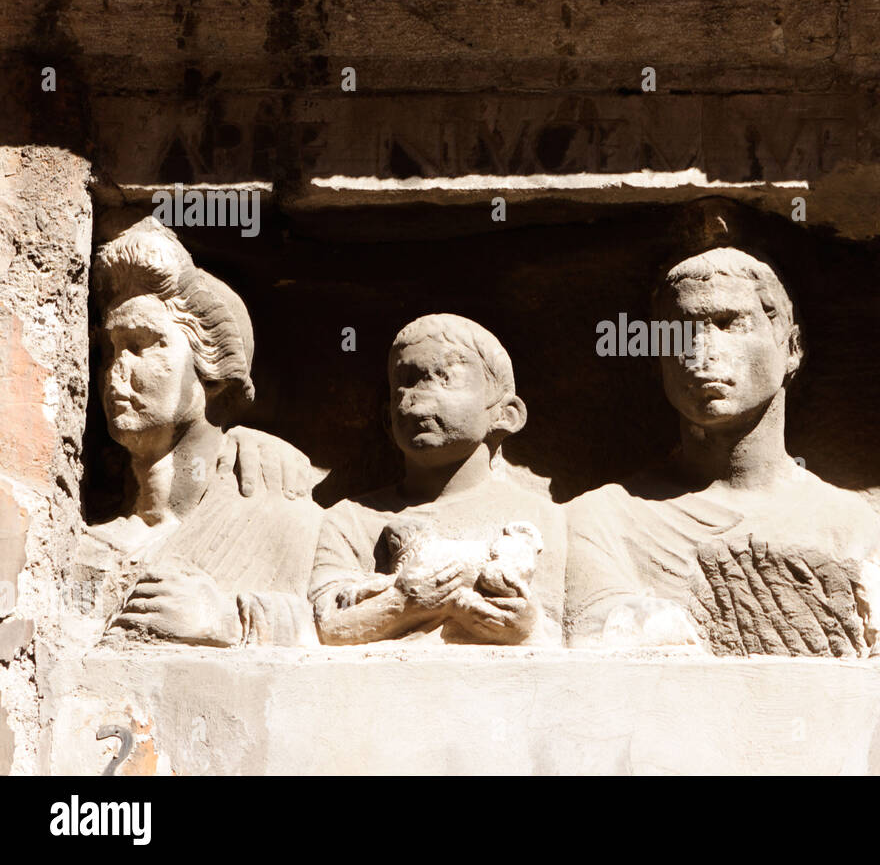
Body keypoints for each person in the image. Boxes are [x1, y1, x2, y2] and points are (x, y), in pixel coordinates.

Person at [565, 247, 880, 656]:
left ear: (791, 348)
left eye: (728, 324)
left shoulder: (848, 526)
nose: (702, 351)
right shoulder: (602, 520)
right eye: (678, 331)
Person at [78, 216, 321, 647]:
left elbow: (335, 620)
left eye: (142, 344)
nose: (117, 370)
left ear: (213, 370)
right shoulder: (87, 544)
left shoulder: (283, 514)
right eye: (109, 350)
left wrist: (231, 622)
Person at [310, 314, 565, 646]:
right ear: (388, 418)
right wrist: (404, 605)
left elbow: (567, 640)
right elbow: (325, 625)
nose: (420, 396)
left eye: (445, 377)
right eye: (407, 379)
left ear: (505, 414)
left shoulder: (545, 519)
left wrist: (528, 626)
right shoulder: (350, 520)